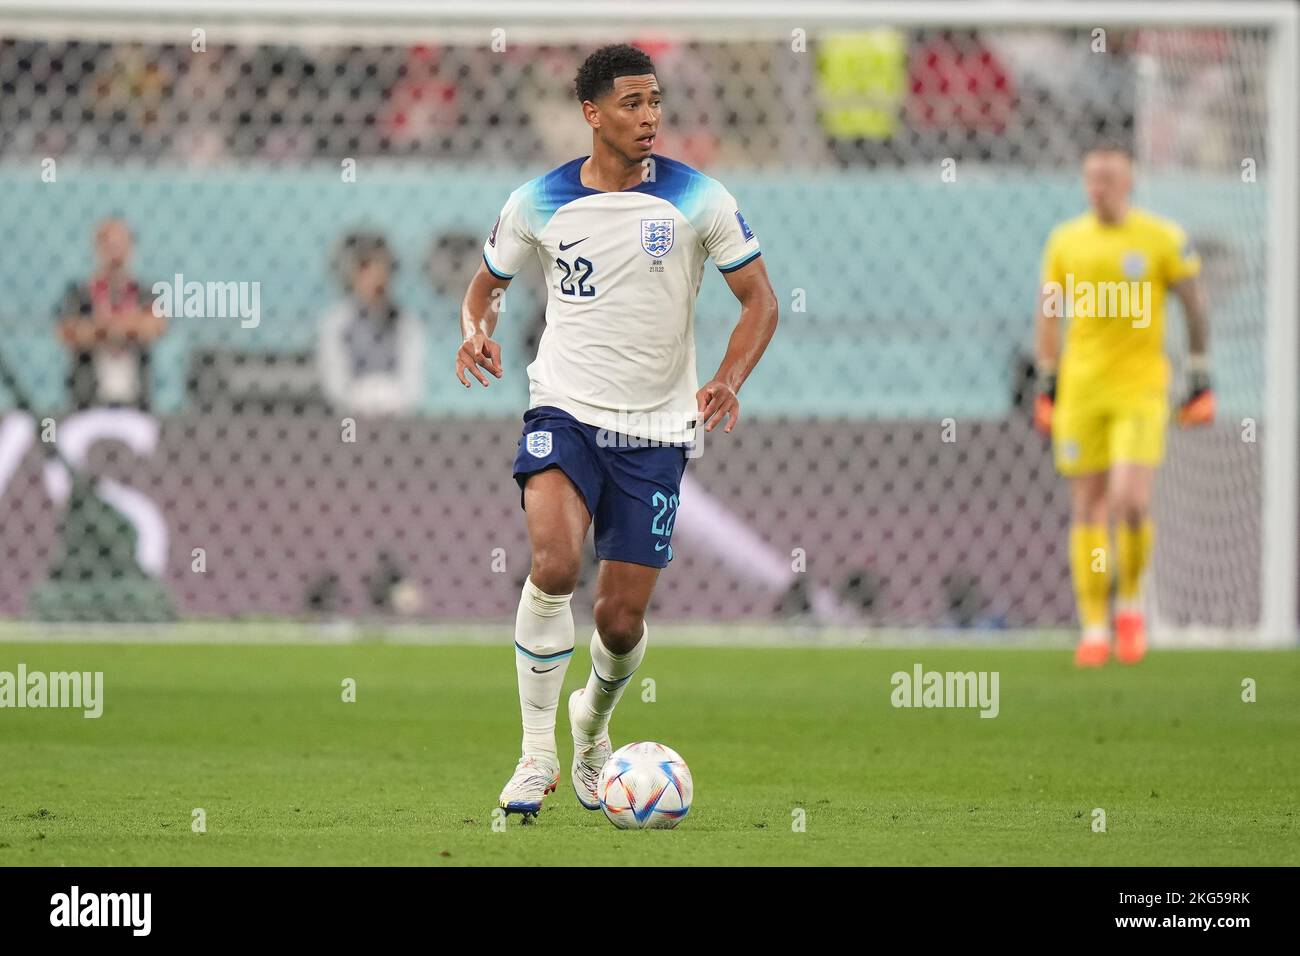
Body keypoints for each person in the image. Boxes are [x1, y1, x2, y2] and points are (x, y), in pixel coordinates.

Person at [457, 44, 778, 818]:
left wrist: (727, 380)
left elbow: (760, 301)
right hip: (563, 407)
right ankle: (536, 757)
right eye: (632, 103)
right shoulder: (538, 200)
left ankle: (591, 725)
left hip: (655, 428)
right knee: (557, 563)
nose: (650, 117)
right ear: (592, 113)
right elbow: (484, 287)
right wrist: (475, 330)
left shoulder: (697, 199)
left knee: (621, 618)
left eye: (656, 101)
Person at [1034, 145, 1213, 668]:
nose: (1099, 188)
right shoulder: (1066, 241)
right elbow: (1049, 312)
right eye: (1091, 178)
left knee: (1129, 500)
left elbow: (1194, 302)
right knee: (1089, 505)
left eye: (1109, 178)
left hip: (1140, 390)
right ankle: (1094, 626)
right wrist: (1048, 382)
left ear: (1129, 180)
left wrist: (1201, 374)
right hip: (1082, 391)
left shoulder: (1160, 238)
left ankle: (1130, 605)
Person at [55, 218, 166, 412]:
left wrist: (101, 327)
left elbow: (153, 327)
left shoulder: (145, 293)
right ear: (97, 248)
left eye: (120, 244)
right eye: (108, 245)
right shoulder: (80, 293)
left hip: (136, 399)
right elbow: (69, 332)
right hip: (87, 398)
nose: (115, 252)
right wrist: (126, 326)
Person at [318, 230, 424, 417]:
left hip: (395, 413)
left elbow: (412, 381)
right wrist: (359, 399)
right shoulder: (337, 322)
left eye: (381, 269)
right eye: (366, 269)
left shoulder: (405, 323)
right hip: (352, 414)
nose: (374, 278)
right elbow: (334, 379)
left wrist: (392, 400)